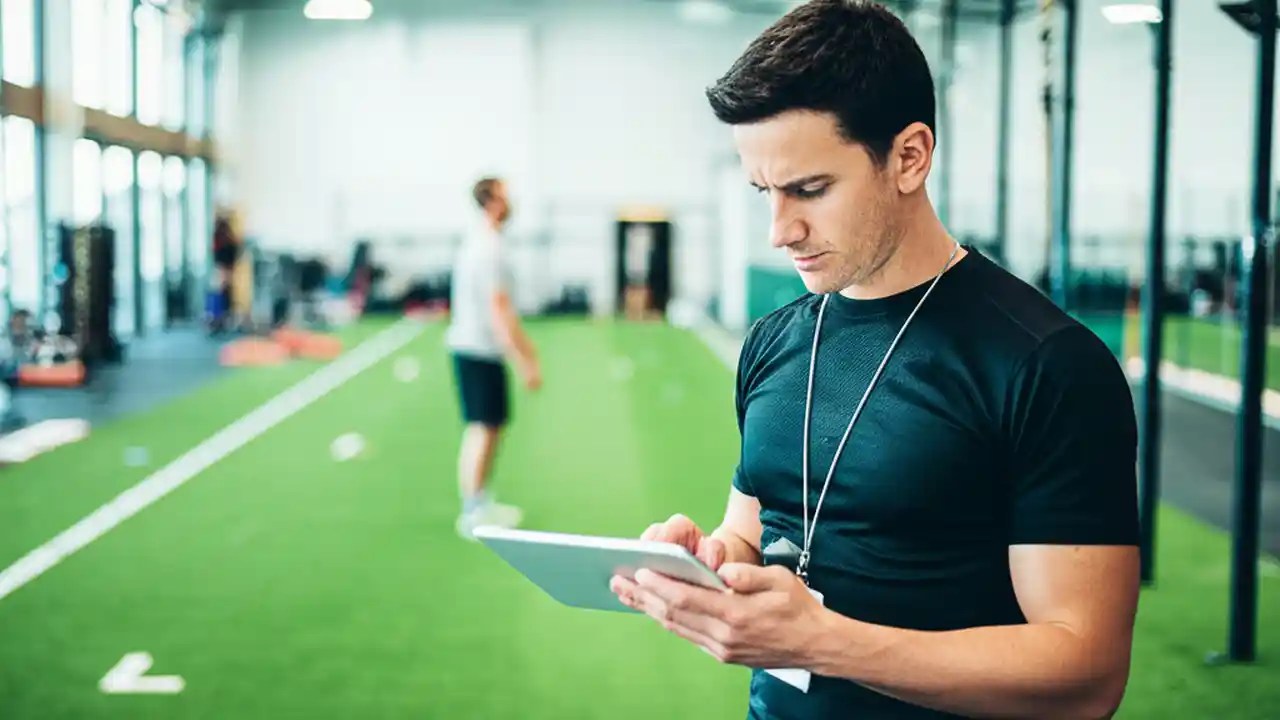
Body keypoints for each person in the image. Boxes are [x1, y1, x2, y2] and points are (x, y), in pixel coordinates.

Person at [610, 2, 1141, 718]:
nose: (780, 230)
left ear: (910, 157)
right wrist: (708, 563)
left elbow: (1088, 675)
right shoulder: (774, 341)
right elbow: (757, 532)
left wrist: (821, 640)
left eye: (810, 189)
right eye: (764, 192)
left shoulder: (1046, 365)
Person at [447, 177, 542, 539]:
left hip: (479, 349)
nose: (511, 200)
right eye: (505, 194)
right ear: (491, 201)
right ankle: (472, 511)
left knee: (491, 427)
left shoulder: (486, 243)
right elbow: (498, 309)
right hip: (478, 349)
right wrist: (524, 359)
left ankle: (480, 502)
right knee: (482, 428)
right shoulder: (488, 248)